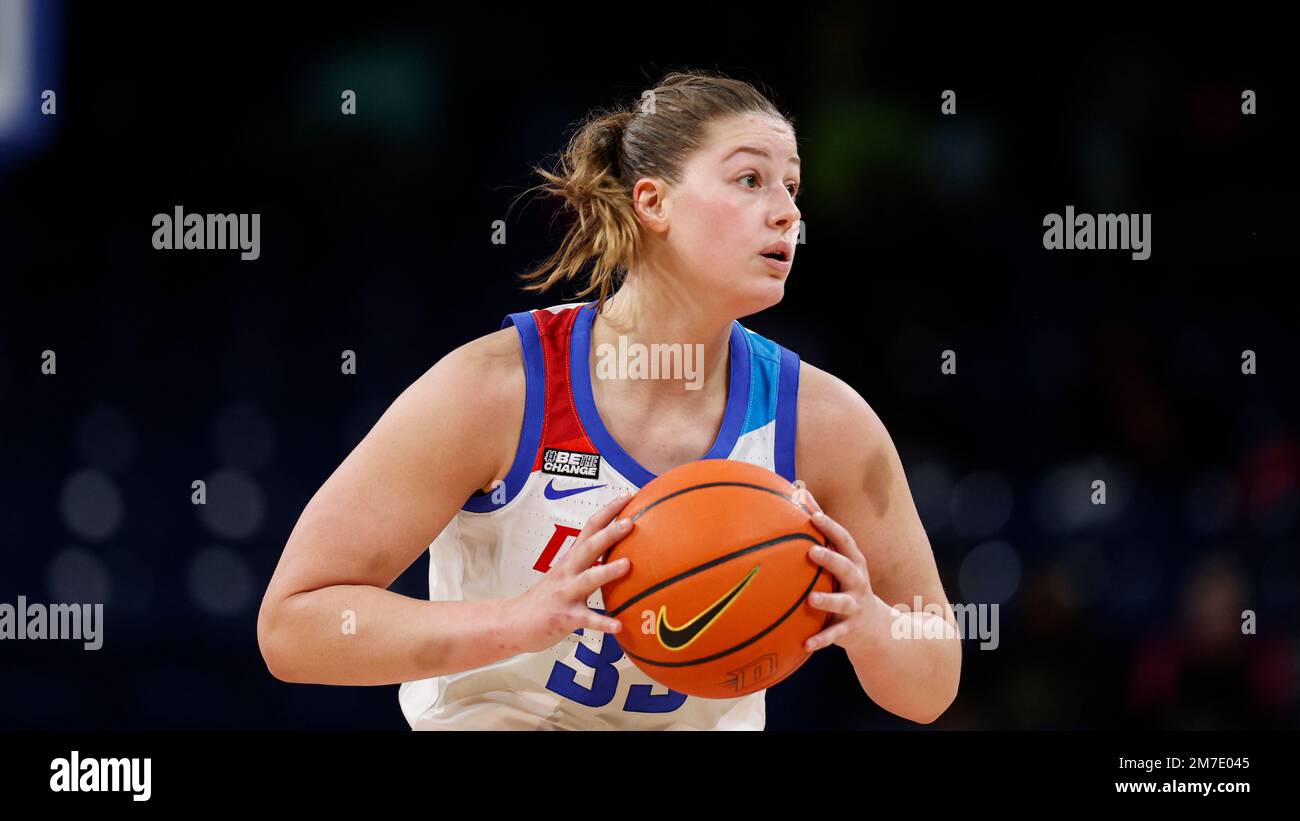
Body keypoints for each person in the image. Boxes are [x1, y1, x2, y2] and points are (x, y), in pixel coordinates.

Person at [256, 69, 961, 729]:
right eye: (751, 179)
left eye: (793, 189)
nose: (786, 215)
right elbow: (294, 624)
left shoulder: (825, 421)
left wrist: (869, 622)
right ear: (653, 201)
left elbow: (933, 683)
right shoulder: (497, 388)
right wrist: (515, 621)